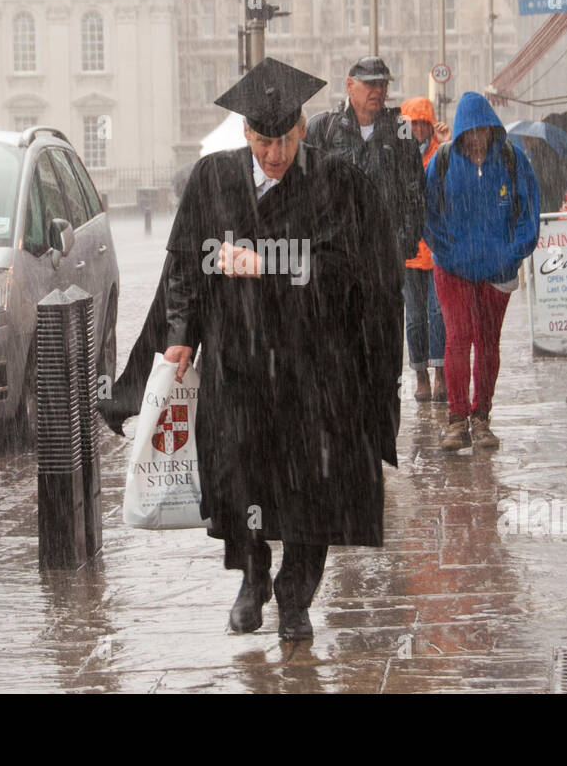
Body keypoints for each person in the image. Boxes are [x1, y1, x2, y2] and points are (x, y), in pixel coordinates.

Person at [104, 58, 403, 641]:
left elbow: (353, 273)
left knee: (310, 491)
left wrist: (270, 263)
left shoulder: (335, 185)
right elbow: (185, 270)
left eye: (285, 139)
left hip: (313, 370)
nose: (274, 154)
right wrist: (180, 337)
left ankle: (295, 598)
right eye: (263, 140)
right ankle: (252, 577)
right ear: (245, 133)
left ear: (301, 128)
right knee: (239, 482)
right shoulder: (212, 182)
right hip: (239, 369)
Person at [425, 92, 540, 451]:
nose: (476, 138)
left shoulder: (512, 160)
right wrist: (448, 251)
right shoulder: (442, 163)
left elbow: (530, 211)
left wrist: (512, 254)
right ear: (460, 133)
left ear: (492, 129)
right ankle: (457, 420)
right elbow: (427, 214)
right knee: (458, 336)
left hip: (497, 271)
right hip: (453, 269)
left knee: (488, 342)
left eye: (482, 130)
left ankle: (482, 417)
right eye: (469, 132)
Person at [303, 56, 426, 268]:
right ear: (350, 85)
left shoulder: (401, 132)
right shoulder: (323, 128)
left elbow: (414, 188)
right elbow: (303, 188)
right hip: (335, 254)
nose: (378, 91)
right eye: (370, 83)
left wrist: (405, 239)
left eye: (383, 84)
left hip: (384, 255)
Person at [399, 96, 448, 402]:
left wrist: (447, 144)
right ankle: (420, 375)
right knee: (415, 318)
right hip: (407, 251)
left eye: (422, 122)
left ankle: (441, 372)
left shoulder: (442, 153)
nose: (418, 128)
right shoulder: (395, 157)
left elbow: (455, 181)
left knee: (438, 314)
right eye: (412, 123)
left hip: (436, 250)